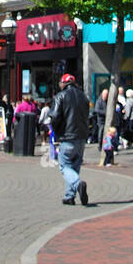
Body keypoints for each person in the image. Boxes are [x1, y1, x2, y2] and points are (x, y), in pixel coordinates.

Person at [49, 73, 90, 206]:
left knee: (64, 166)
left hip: (67, 137)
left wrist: (56, 131)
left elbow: (54, 116)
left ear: (63, 83)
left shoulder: (60, 96)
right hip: (81, 137)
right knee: (75, 167)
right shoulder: (83, 96)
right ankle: (69, 196)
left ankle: (78, 184)